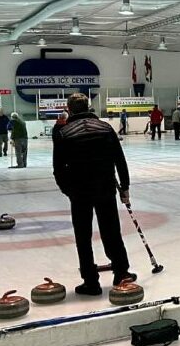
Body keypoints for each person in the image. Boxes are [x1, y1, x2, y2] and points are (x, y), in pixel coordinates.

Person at [53, 93, 135, 295]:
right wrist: (124, 187)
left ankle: (90, 281)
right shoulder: (105, 128)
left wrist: (68, 190)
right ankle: (121, 272)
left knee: (83, 236)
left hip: (79, 191)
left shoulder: (64, 133)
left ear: (69, 109)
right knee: (111, 231)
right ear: (88, 107)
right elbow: (120, 160)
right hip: (105, 187)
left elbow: (58, 168)